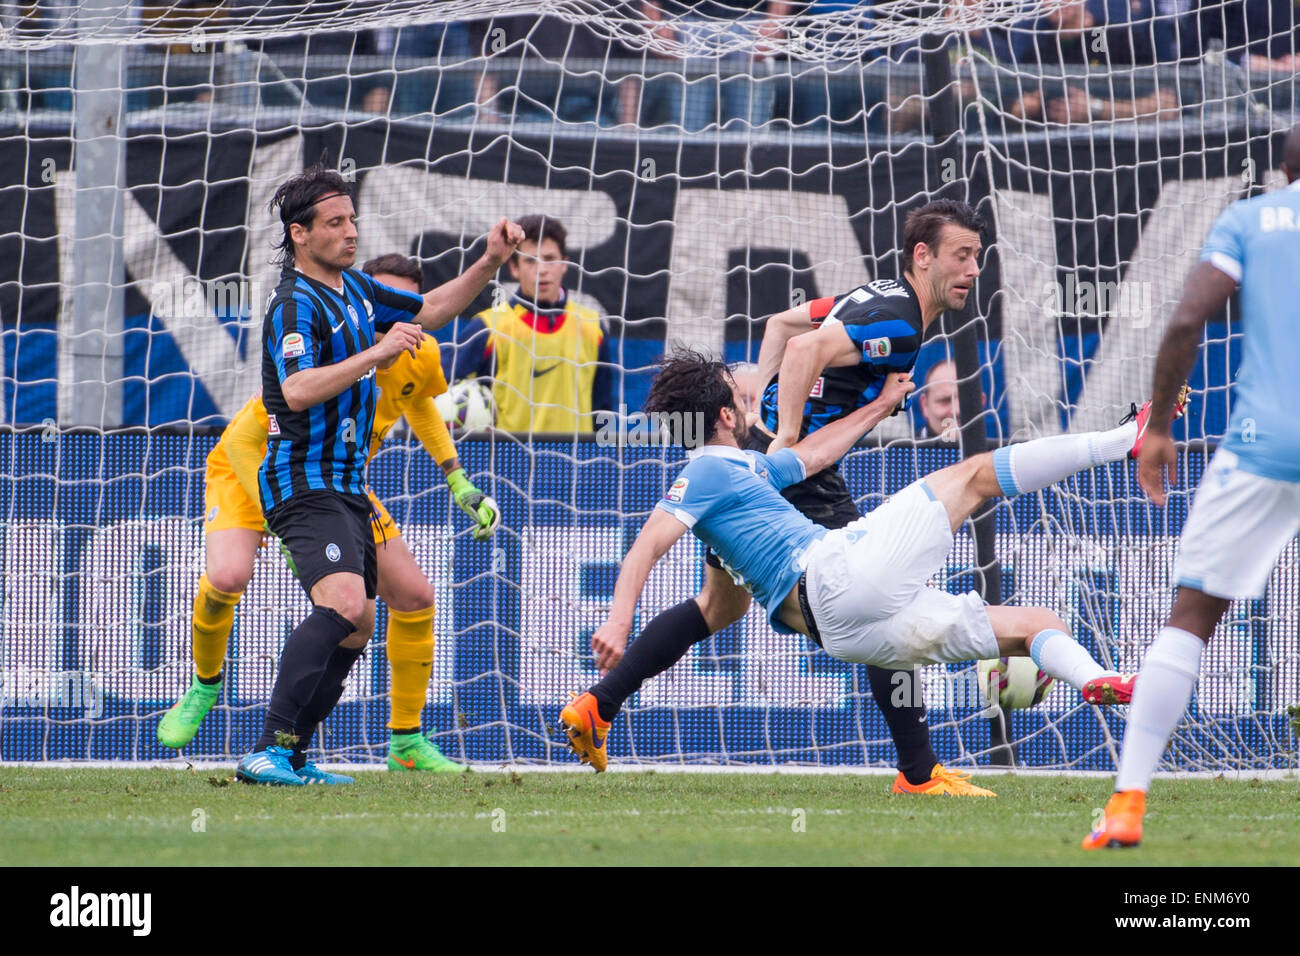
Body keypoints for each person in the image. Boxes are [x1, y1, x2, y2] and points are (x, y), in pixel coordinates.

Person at [563, 199, 1000, 794]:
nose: (974, 269)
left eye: (977, 256)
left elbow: (780, 327)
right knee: (888, 607)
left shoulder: (874, 295)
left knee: (720, 608)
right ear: (923, 258)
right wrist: (783, 438)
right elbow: (801, 350)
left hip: (764, 460)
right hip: (794, 473)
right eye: (962, 256)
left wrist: (757, 406)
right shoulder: (898, 321)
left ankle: (598, 705)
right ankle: (919, 774)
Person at [560, 350, 1149, 772]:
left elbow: (813, 455)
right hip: (833, 574)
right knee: (972, 476)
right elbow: (646, 543)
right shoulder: (707, 470)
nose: (749, 403)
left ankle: (1097, 679)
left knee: (1038, 625)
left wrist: (883, 406)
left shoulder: (747, 470)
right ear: (724, 418)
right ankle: (1124, 439)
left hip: (846, 634)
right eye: (741, 398)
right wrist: (617, 618)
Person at [234, 164, 522, 785]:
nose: (350, 232)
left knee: (362, 619)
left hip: (346, 485)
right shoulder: (293, 304)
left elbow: (435, 307)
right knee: (342, 603)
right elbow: (298, 387)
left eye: (352, 220)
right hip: (302, 479)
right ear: (300, 234)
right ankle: (268, 748)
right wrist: (378, 351)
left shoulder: (358, 290)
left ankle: (292, 754)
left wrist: (490, 261)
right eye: (335, 223)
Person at [158, 253, 498, 773]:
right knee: (229, 575)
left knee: (412, 595)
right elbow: (250, 439)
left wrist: (457, 479)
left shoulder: (415, 352)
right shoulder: (327, 348)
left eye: (399, 312)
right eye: (379, 306)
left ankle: (404, 741)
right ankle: (206, 686)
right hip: (255, 470)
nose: (388, 321)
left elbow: (420, 401)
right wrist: (280, 520)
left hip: (339, 483)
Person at [1081, 127, 1300, 850]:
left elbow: (1184, 319)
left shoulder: (1251, 218)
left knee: (1192, 616)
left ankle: (1128, 804)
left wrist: (1160, 428)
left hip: (1264, 446)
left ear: (1283, 169)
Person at [449, 214, 613, 433]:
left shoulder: (592, 327)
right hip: (509, 462)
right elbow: (439, 382)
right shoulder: (490, 326)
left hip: (576, 461)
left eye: (550, 259)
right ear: (514, 268)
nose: (542, 270)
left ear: (564, 263)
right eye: (530, 260)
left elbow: (603, 408)